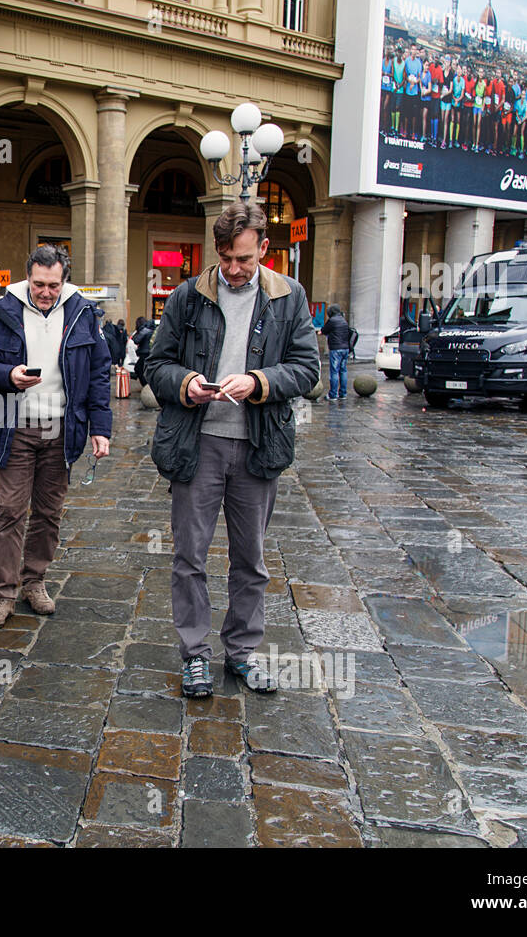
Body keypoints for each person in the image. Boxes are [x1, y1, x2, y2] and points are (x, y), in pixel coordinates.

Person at [144, 201, 318, 697]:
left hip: (257, 447)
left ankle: (241, 654)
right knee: (189, 557)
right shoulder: (186, 296)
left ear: (264, 248)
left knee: (251, 561)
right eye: (225, 258)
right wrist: (187, 382)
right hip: (196, 444)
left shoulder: (289, 296)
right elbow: (156, 365)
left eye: (243, 258)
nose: (234, 269)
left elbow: (308, 370)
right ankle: (195, 655)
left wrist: (260, 381)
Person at [0, 244, 112, 629]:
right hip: (14, 426)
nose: (45, 292)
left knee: (48, 513)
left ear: (64, 280)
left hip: (63, 429)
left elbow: (100, 372)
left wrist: (100, 428)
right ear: (27, 277)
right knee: (11, 511)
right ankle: (2, 593)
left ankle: (34, 580)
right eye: (38, 284)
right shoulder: (2, 311)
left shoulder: (83, 313)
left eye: (52, 285)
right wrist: (7, 375)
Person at [321, 304, 351, 400]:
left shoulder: (332, 321)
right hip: (345, 348)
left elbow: (324, 330)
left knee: (334, 372)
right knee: (343, 371)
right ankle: (343, 393)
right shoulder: (343, 320)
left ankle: (333, 394)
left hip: (336, 349)